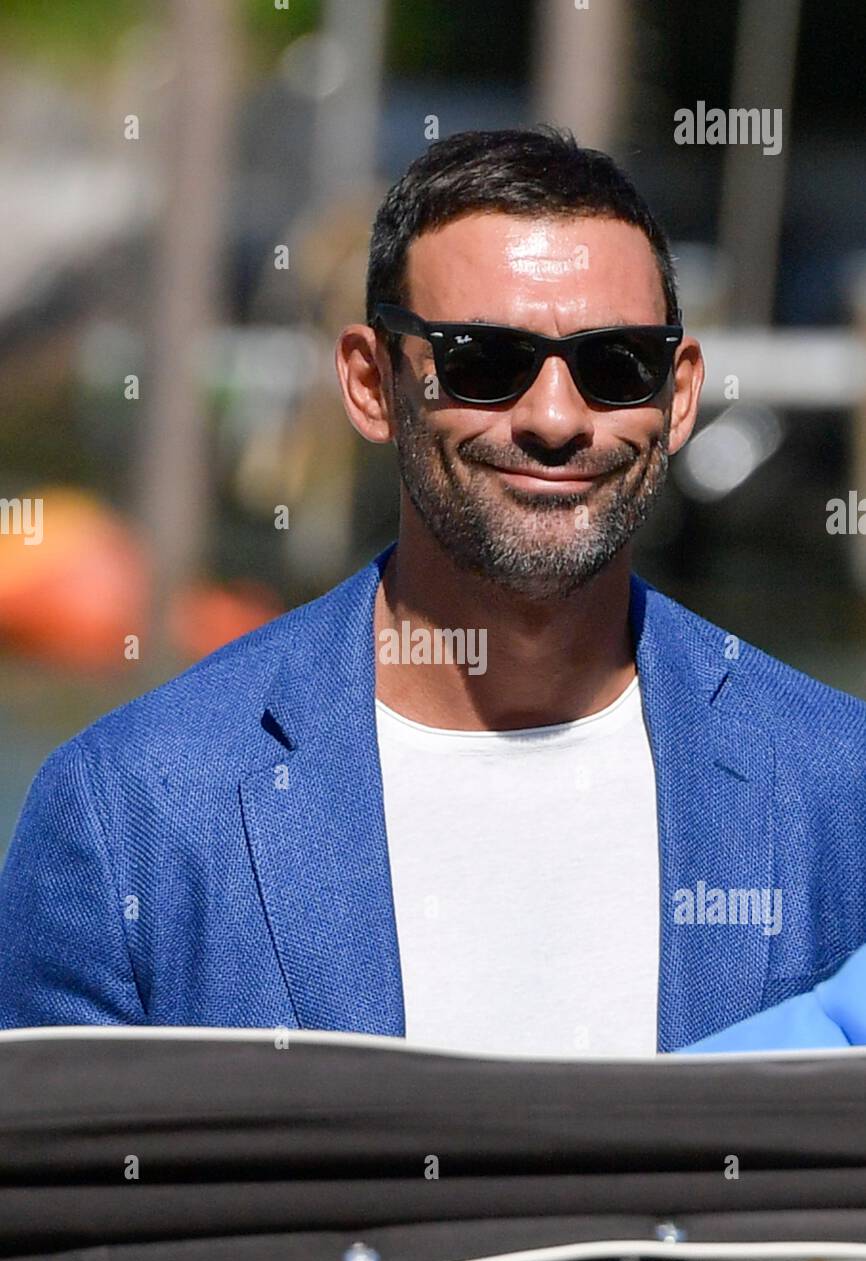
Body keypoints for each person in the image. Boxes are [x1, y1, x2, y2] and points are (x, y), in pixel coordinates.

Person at [2, 126, 865, 1055]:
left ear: (681, 395)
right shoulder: (130, 810)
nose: (555, 418)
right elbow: (61, 1193)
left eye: (616, 365)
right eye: (484, 363)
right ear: (372, 384)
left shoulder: (838, 791)